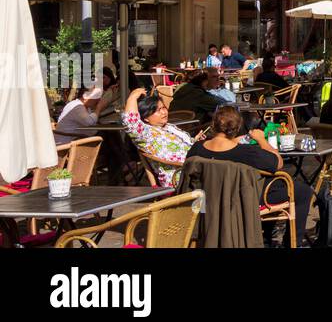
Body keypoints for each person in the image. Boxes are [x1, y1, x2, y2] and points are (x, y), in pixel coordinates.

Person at [186, 104, 312, 245]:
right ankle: (291, 244)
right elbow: (278, 163)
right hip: (239, 200)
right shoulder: (245, 152)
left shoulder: (196, 149)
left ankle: (267, 236)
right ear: (238, 127)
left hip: (204, 199)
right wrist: (261, 139)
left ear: (213, 124)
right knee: (302, 191)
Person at [122, 87, 195, 187]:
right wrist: (132, 97)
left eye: (163, 108)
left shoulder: (168, 127)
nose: (164, 112)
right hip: (180, 176)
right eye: (158, 110)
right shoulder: (147, 134)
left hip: (193, 166)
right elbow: (131, 123)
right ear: (146, 118)